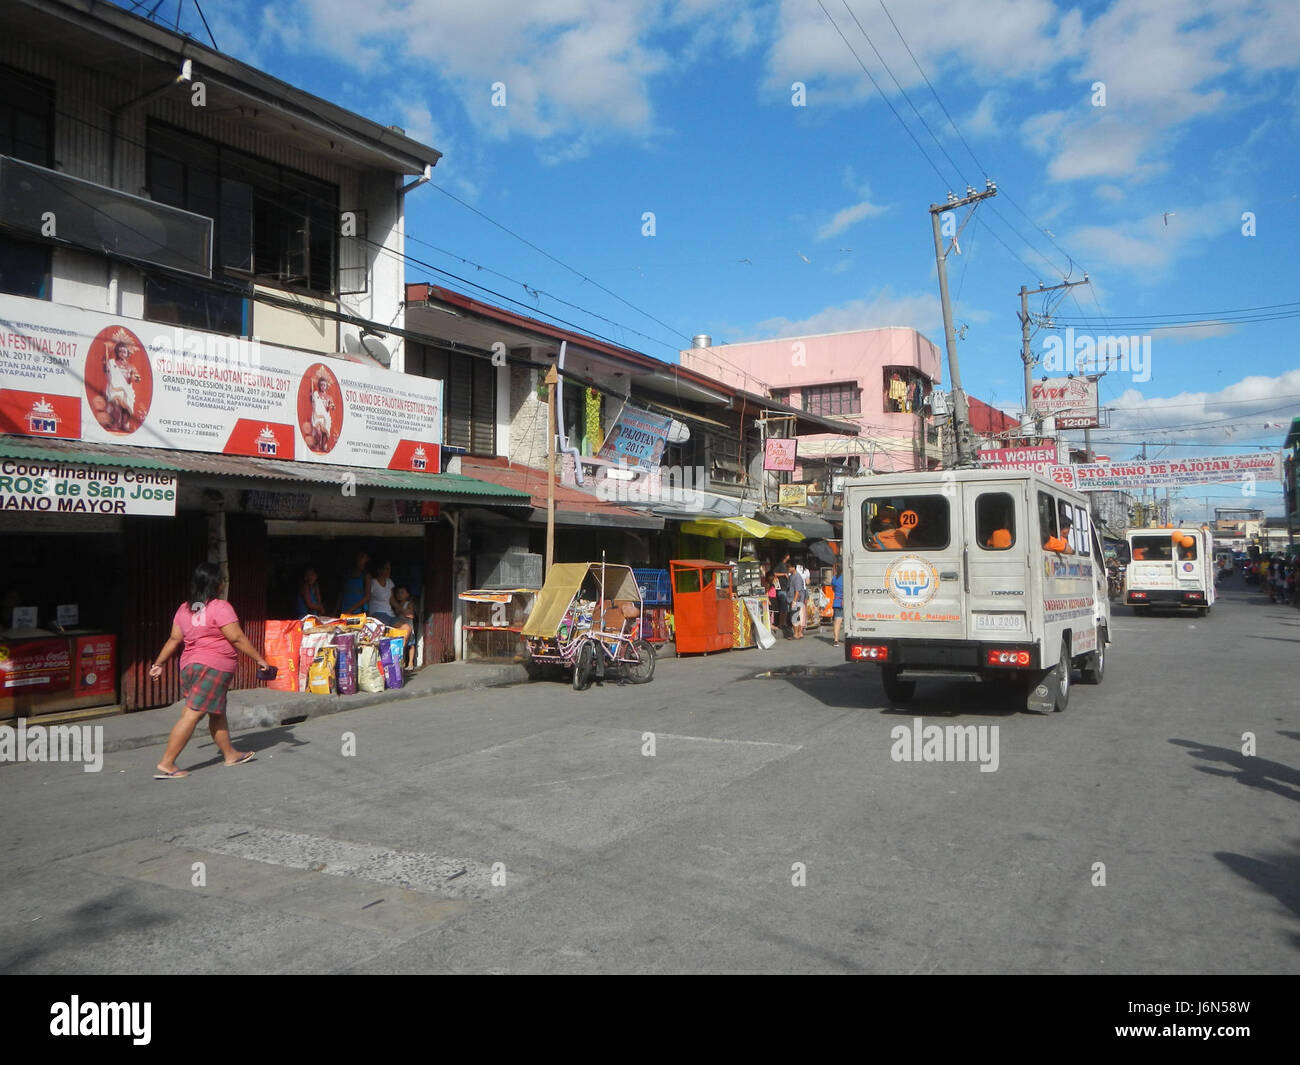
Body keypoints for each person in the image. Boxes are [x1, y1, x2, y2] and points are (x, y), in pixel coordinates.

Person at [149, 562, 268, 779]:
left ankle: (230, 754)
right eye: (222, 579)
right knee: (192, 715)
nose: (224, 582)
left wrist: (158, 663)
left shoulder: (184, 608)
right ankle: (167, 763)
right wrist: (260, 659)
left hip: (189, 666)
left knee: (217, 712)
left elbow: (175, 639)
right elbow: (236, 637)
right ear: (216, 584)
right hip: (212, 667)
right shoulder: (220, 607)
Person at [339, 550, 370, 615]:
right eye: (358, 556)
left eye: (362, 557)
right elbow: (342, 593)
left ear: (367, 559)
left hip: (358, 611)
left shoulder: (366, 575)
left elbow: (367, 596)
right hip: (344, 609)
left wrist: (351, 609)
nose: (359, 559)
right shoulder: (348, 573)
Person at [787, 562, 806, 639]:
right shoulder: (792, 576)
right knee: (796, 616)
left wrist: (794, 601)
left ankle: (796, 634)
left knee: (794, 616)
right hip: (792, 598)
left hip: (796, 599)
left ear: (793, 568)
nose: (788, 569)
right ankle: (798, 633)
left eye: (789, 567)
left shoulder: (797, 577)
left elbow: (797, 591)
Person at [830, 563, 844, 645]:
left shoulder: (834, 578)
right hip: (845, 602)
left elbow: (833, 589)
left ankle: (836, 640)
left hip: (837, 602)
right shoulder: (845, 578)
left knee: (837, 621)